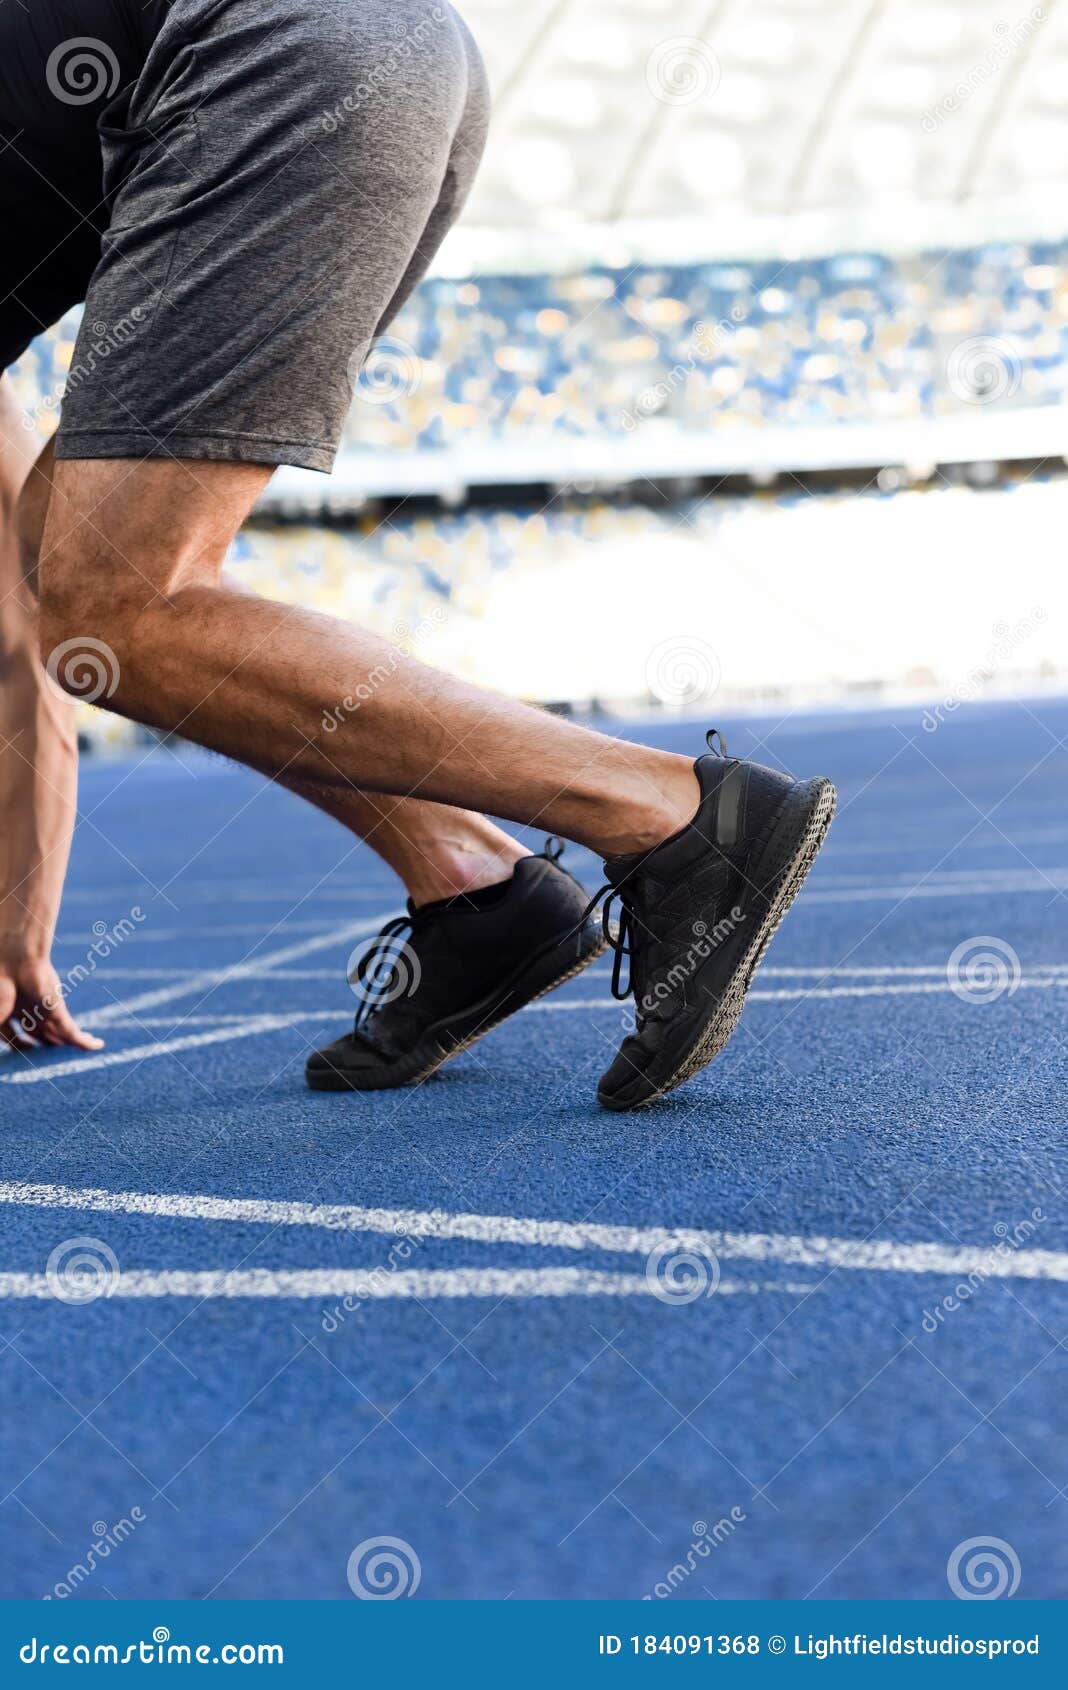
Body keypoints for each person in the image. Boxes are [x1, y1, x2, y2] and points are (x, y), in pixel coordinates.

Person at [0, 0, 835, 1109]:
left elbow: (33, 644)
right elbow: (29, 591)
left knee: (118, 618)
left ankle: (675, 818)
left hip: (270, 62)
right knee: (81, 573)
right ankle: (475, 887)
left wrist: (12, 915)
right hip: (350, 53)